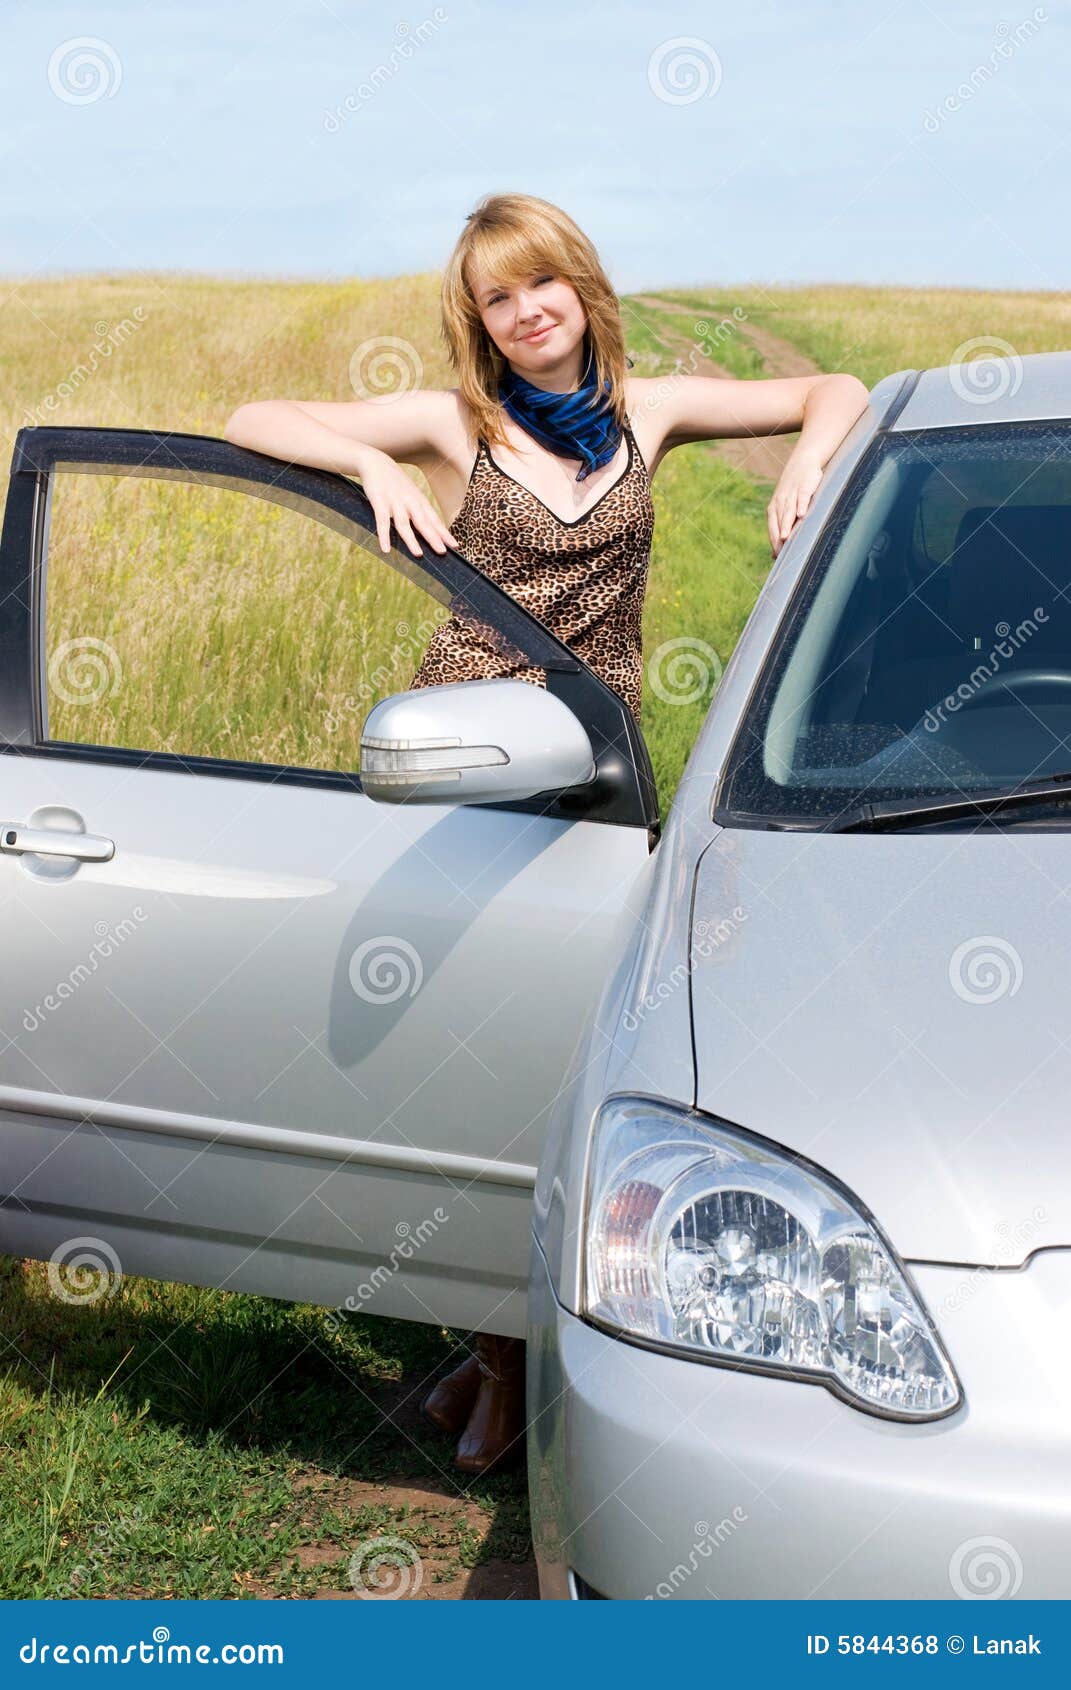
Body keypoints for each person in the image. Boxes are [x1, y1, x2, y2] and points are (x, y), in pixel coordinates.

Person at [223, 192, 871, 1472]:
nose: (524, 314)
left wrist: (804, 455)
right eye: (495, 300)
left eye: (540, 286)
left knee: (572, 1055)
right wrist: (364, 465)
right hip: (471, 771)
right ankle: (499, 1367)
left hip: (598, 776)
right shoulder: (453, 427)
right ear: (479, 324)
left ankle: (505, 1356)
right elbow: (249, 422)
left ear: (580, 285)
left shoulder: (651, 412)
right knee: (470, 1057)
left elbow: (840, 386)